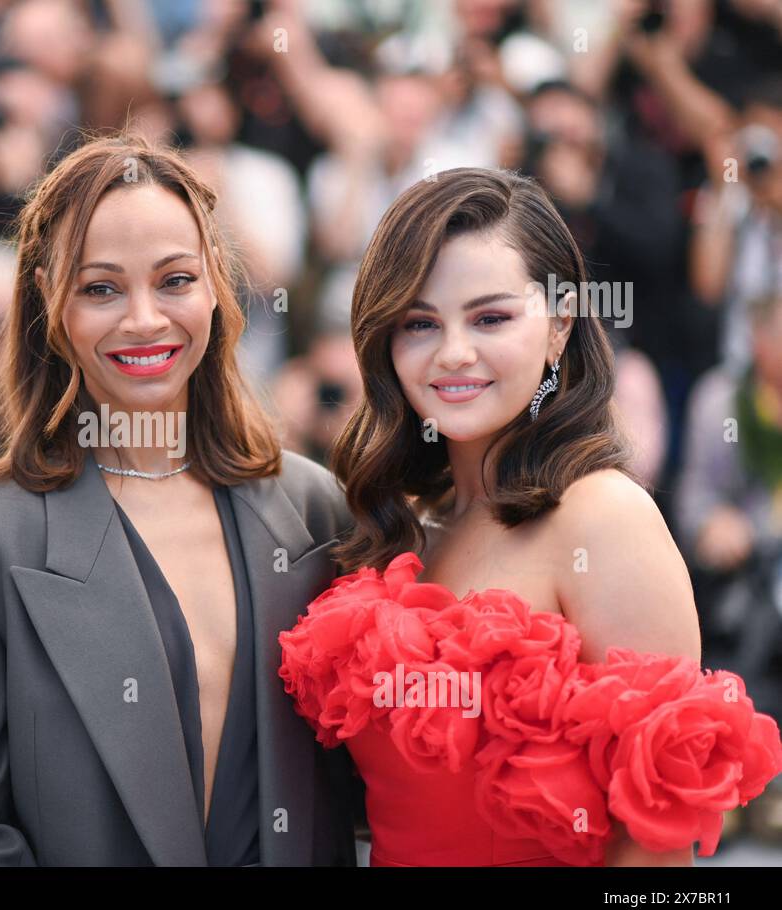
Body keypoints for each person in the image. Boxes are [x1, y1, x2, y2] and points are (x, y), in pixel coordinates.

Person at [279, 167, 782, 867]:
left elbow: (656, 849)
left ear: (560, 326)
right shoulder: (401, 523)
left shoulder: (605, 518)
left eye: (490, 318)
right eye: (420, 323)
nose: (454, 352)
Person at [0, 133, 358, 866]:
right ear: (49, 310)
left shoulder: (315, 511)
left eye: (175, 279)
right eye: (100, 288)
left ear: (217, 286)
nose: (145, 319)